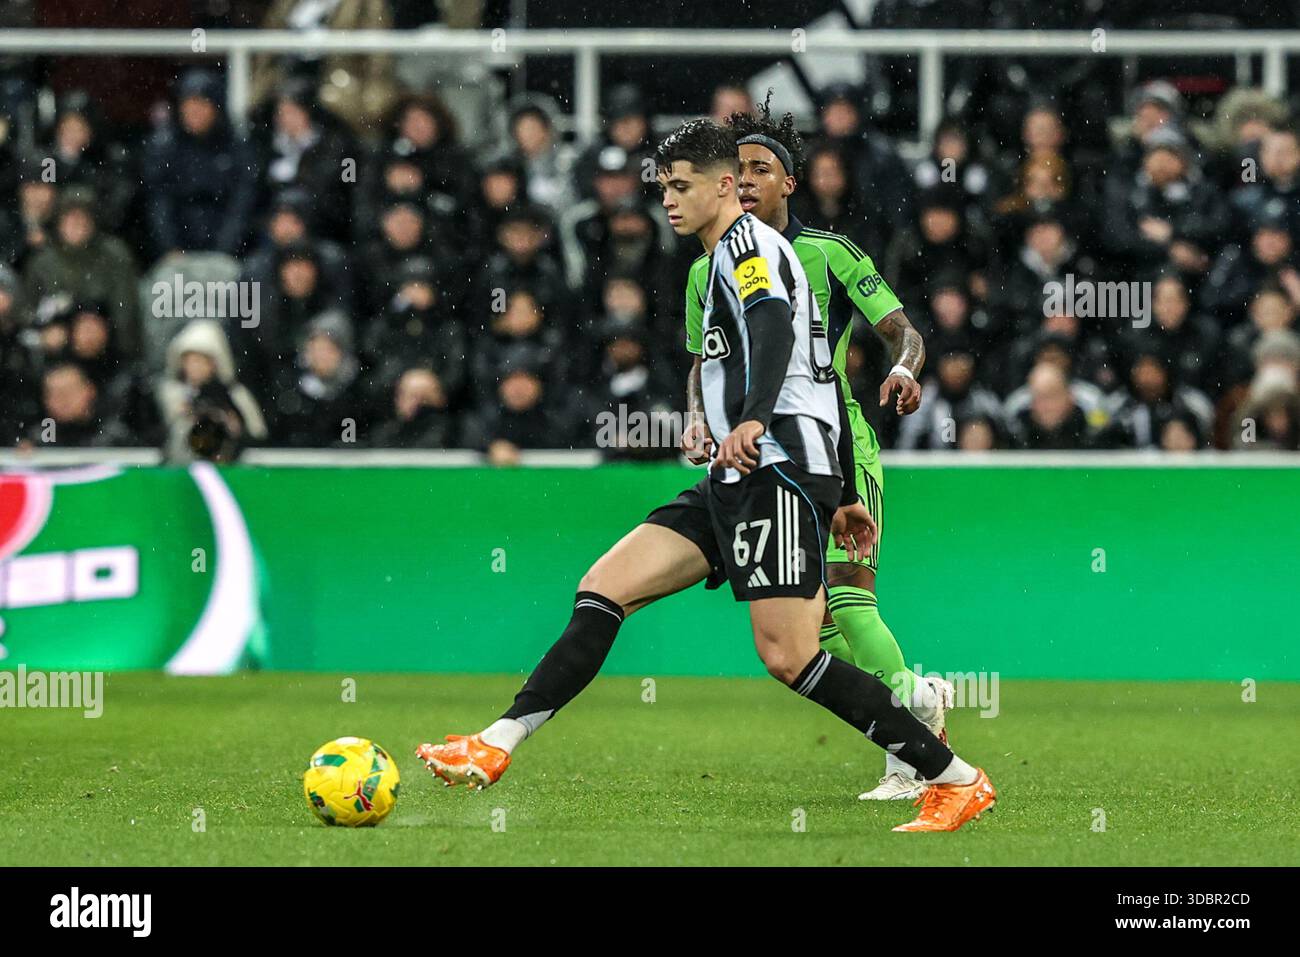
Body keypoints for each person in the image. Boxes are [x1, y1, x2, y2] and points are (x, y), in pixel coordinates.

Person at [417, 119, 996, 834]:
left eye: (682, 185)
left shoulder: (749, 248)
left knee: (791, 655)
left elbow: (779, 333)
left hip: (774, 466)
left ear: (725, 185)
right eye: (663, 186)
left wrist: (754, 420)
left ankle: (954, 777)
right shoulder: (725, 259)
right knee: (605, 586)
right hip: (743, 471)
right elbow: (822, 373)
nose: (668, 199)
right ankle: (495, 742)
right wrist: (841, 490)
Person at [689, 95, 955, 801]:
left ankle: (911, 755)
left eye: (760, 168)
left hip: (835, 445)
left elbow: (905, 329)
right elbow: (703, 362)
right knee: (810, 631)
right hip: (760, 460)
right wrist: (695, 418)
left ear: (789, 183)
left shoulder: (829, 253)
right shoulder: (705, 266)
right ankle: (915, 697)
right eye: (735, 169)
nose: (745, 179)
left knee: (848, 593)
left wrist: (903, 367)